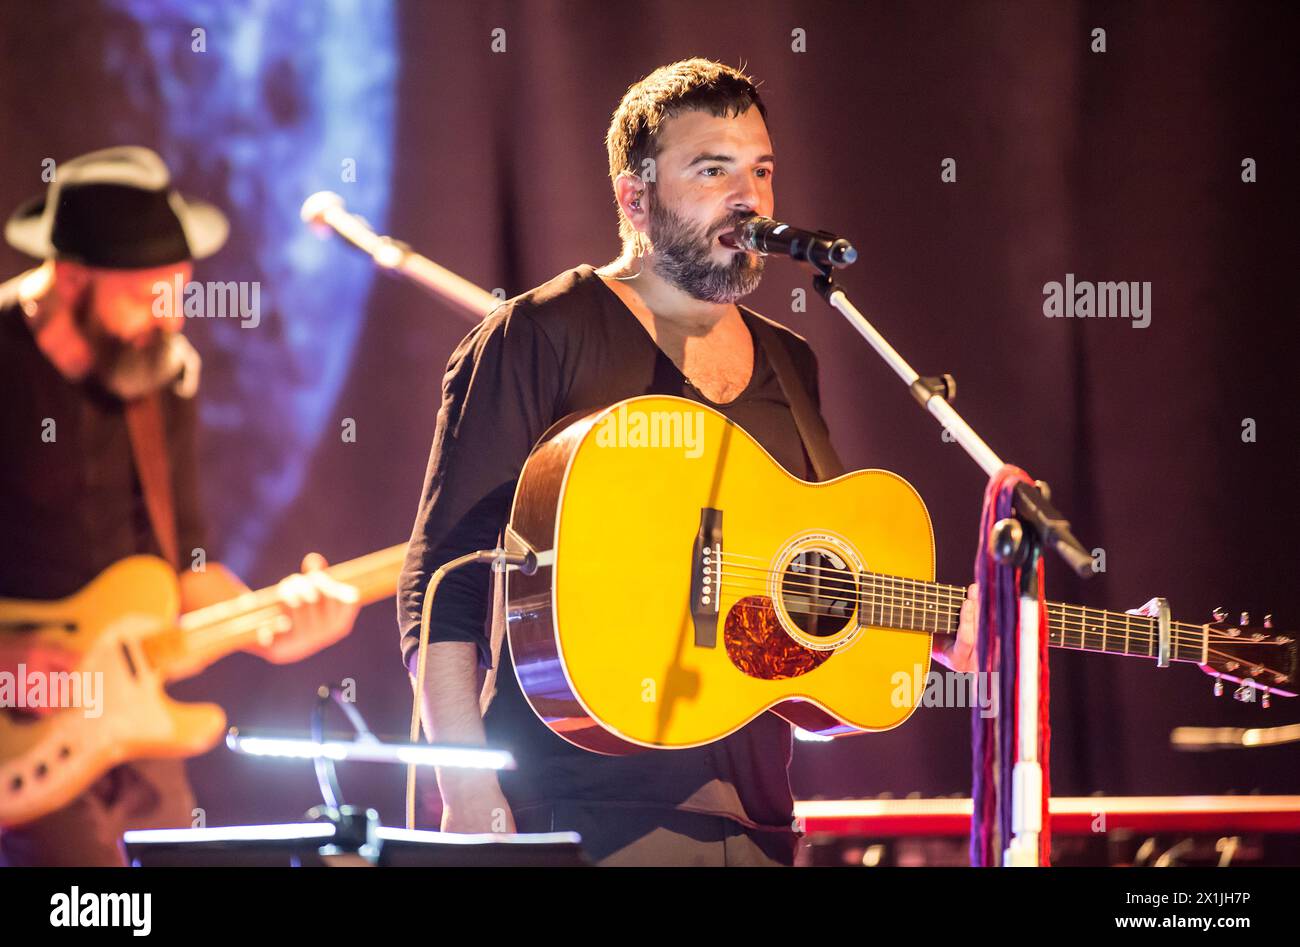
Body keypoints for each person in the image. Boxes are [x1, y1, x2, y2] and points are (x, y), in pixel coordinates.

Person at [398, 59, 979, 866]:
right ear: (635, 197)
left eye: (762, 171)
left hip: (761, 818)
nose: (750, 198)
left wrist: (947, 631)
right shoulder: (538, 335)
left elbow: (801, 579)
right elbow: (445, 584)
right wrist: (466, 794)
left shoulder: (790, 362)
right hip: (583, 804)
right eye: (713, 170)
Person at [0, 146, 361, 866]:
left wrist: (266, 625)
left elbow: (180, 567)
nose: (166, 318)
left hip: (129, 725)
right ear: (69, 277)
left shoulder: (164, 374)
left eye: (178, 293)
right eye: (143, 297)